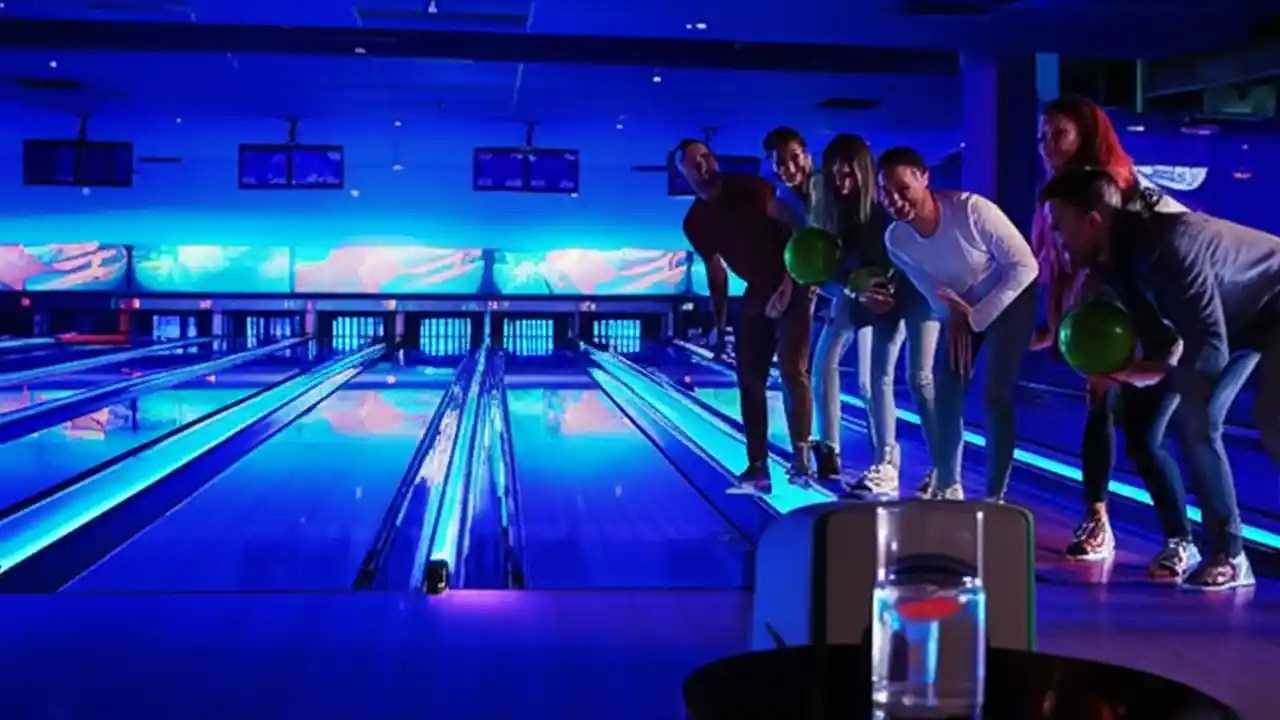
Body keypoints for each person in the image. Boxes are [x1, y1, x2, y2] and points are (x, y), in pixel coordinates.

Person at [1043, 167, 1280, 590]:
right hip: (1238, 320)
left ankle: (1227, 553)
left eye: (1061, 227)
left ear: (1093, 220)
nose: (1057, 241)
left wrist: (1139, 374)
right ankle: (1229, 555)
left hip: (1270, 302)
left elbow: (1208, 348)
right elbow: (1163, 340)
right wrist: (1123, 373)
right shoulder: (1117, 263)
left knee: (1258, 422)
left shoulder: (1170, 246)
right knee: (1182, 425)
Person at [1029, 95, 1197, 575]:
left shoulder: (1118, 192)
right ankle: (1099, 520)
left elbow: (1133, 269)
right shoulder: (1060, 196)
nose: (1047, 145)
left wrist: (1134, 355)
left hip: (1156, 318)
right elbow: (1061, 266)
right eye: (1043, 136)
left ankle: (1184, 539)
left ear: (1086, 136)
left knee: (1144, 436)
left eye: (1058, 134)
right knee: (1101, 411)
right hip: (1102, 318)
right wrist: (1057, 326)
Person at [877, 146, 1039, 502]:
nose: (894, 200)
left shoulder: (970, 209)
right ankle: (949, 484)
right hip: (958, 309)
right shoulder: (897, 240)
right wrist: (955, 317)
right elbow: (931, 290)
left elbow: (1026, 266)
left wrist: (975, 316)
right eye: (885, 192)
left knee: (993, 394)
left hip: (1009, 297)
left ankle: (995, 496)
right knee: (946, 386)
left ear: (924, 178)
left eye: (902, 188)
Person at [671, 138, 816, 491]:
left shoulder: (752, 189)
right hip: (756, 291)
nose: (704, 165)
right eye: (694, 162)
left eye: (706, 157)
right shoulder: (694, 221)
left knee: (792, 371)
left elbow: (796, 231)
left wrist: (791, 283)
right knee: (749, 379)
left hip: (792, 281)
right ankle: (757, 465)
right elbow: (716, 272)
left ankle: (801, 458)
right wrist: (719, 325)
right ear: (683, 173)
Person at [809, 134, 941, 496]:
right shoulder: (838, 215)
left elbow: (911, 251)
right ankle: (886, 464)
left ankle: (942, 467)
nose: (842, 183)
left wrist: (888, 288)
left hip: (917, 290)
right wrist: (859, 291)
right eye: (836, 176)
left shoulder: (886, 205)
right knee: (877, 378)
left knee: (920, 377)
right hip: (878, 298)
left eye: (848, 175)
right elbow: (834, 271)